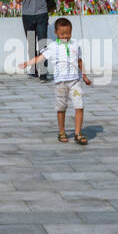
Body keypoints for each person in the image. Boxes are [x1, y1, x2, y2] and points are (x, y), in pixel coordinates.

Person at [18, 16, 91, 144]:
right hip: (61, 83)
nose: (65, 36)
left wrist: (84, 75)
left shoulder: (75, 45)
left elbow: (79, 60)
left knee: (80, 105)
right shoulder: (53, 47)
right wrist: (28, 63)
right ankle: (62, 132)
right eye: (62, 33)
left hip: (75, 82)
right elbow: (41, 58)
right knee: (61, 107)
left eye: (68, 33)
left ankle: (78, 133)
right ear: (56, 33)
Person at [15, 0, 53, 81]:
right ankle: (43, 72)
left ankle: (33, 70)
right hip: (42, 13)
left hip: (27, 14)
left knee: (31, 41)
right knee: (42, 41)